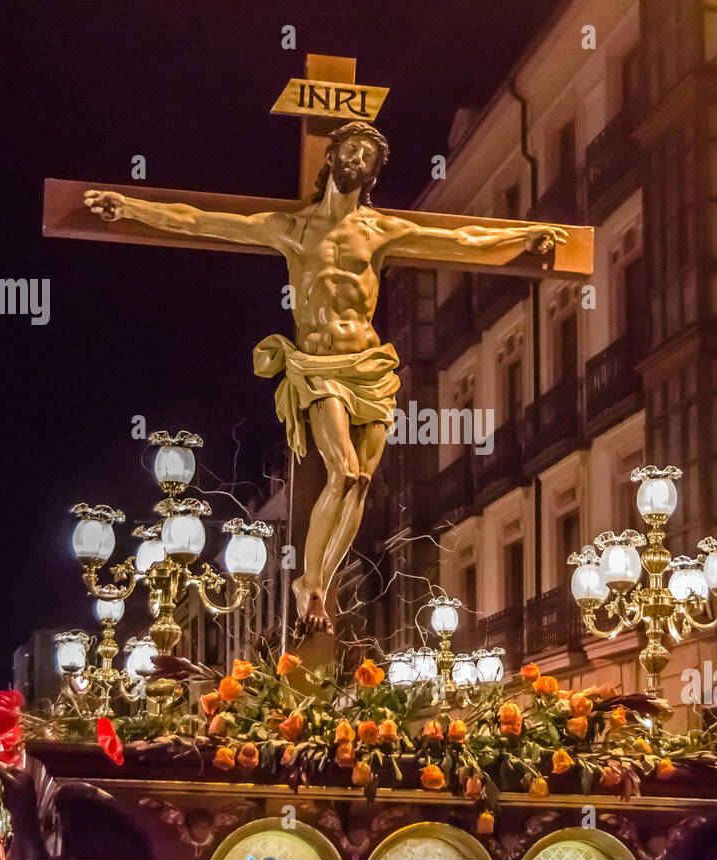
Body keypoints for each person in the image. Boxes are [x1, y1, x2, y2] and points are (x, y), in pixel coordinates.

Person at [84, 121, 566, 636]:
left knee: (361, 483)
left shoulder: (379, 230)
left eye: (369, 156)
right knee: (346, 471)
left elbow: (460, 241)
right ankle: (310, 584)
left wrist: (523, 236)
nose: (358, 159)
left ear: (375, 173)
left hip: (369, 367)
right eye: (351, 149)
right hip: (319, 368)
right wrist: (132, 207)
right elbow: (201, 221)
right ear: (331, 156)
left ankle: (320, 581)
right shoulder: (293, 228)